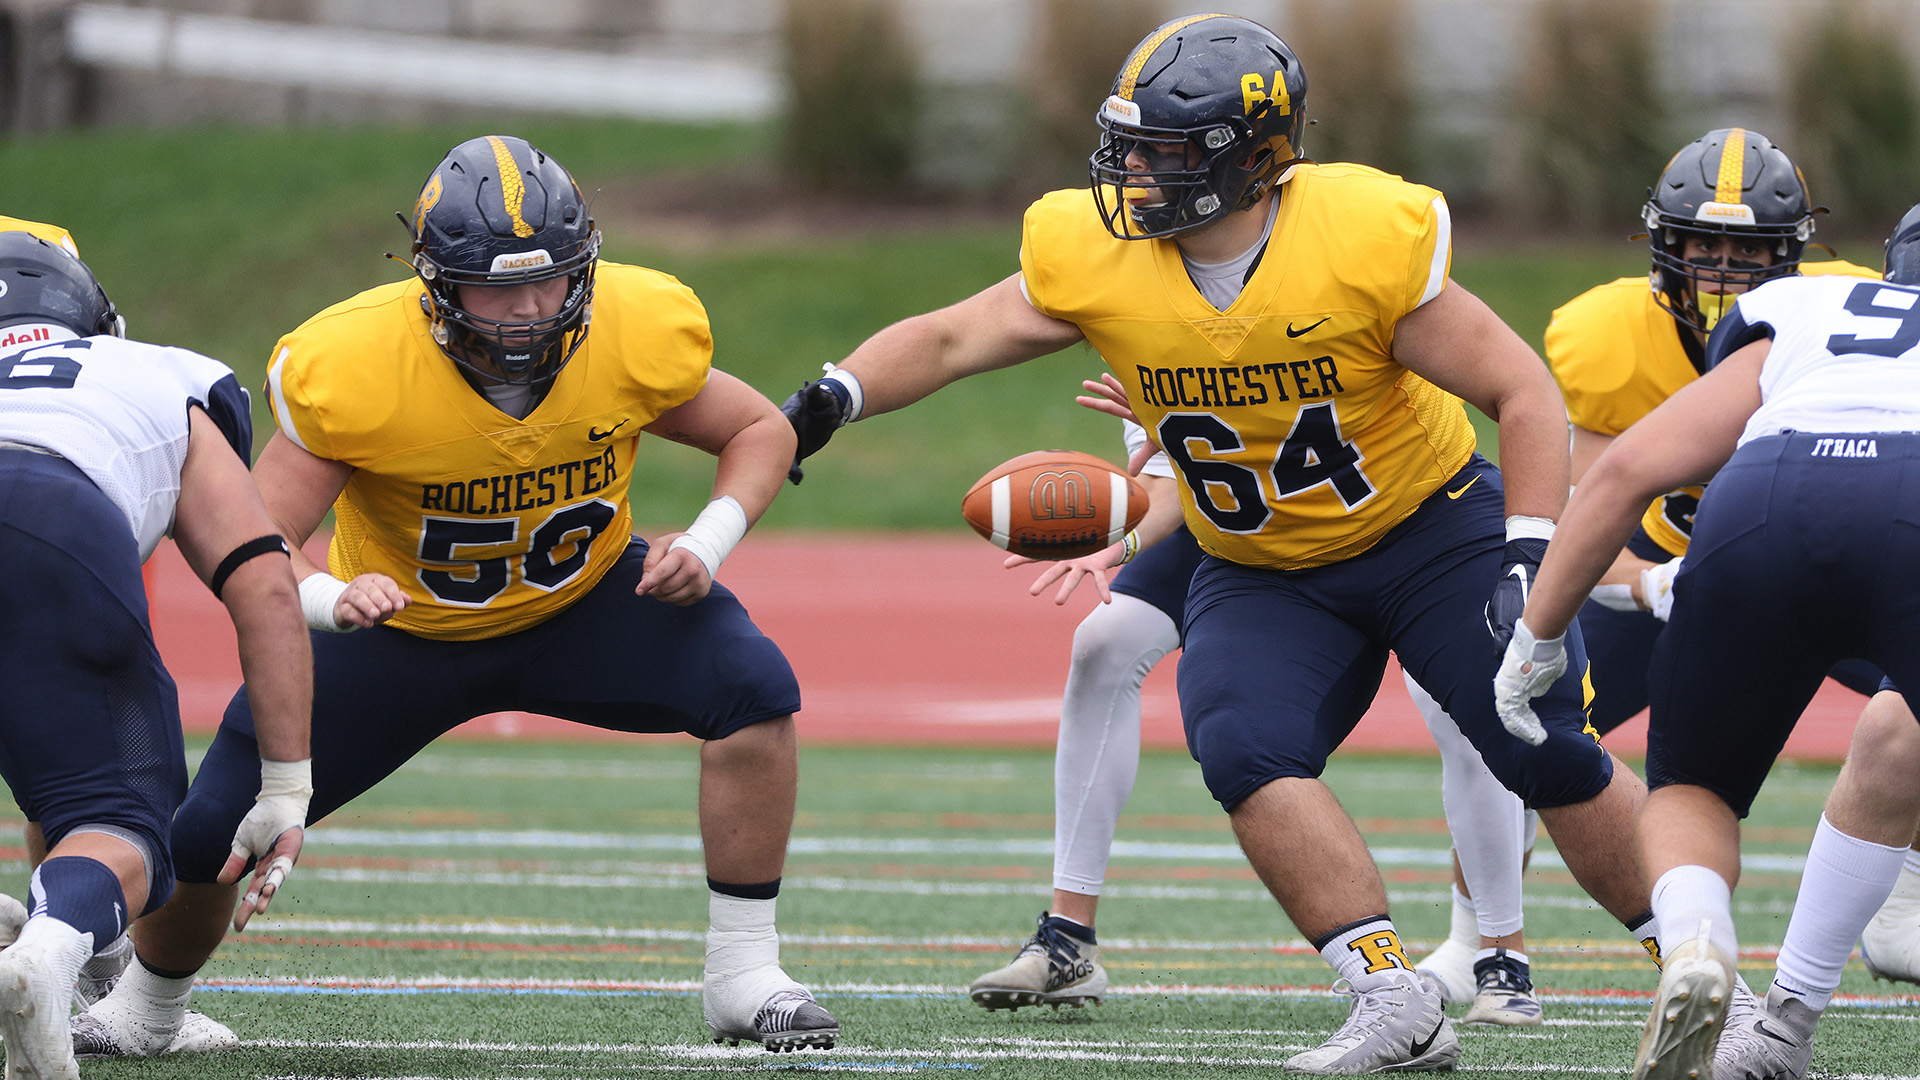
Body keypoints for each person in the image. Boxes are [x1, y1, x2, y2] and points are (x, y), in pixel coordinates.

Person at [784, 15, 1664, 1072]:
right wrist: (833, 396)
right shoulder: (1097, 250)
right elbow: (950, 335)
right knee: (1243, 745)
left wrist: (1527, 552)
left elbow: (1519, 390)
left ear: (1258, 159)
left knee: (1536, 735)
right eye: (1130, 143)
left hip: (1426, 529)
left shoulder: (1356, 233)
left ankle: (1702, 967)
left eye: (1167, 149)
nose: (1135, 171)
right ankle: (1392, 996)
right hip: (1261, 564)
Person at [72, 135, 837, 1055]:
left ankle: (745, 976)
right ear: (434, 281)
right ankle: (149, 1012)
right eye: (493, 287)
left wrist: (709, 542)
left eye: (547, 282)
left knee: (755, 691)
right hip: (399, 631)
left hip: (581, 603)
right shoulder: (360, 362)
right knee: (209, 833)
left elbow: (758, 427)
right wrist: (332, 600)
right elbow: (255, 541)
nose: (524, 310)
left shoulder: (636, 327)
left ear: (584, 270)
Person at [1425, 128, 1904, 981]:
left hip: (1787, 561)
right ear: (1663, 246)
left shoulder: (1833, 315)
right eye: (1703, 246)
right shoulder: (1612, 337)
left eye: (1745, 251)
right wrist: (1646, 588)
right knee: (1519, 714)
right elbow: (1593, 510)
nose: (1720, 271)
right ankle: (1480, 936)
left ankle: (1897, 891)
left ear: (1790, 258)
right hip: (1662, 568)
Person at [1492, 204, 1920, 1080]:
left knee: (1693, 789)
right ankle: (1789, 1016)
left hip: (1764, 499)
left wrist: (1536, 637)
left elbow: (1623, 471)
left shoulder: (1810, 307)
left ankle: (1697, 941)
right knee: (1898, 741)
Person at [971, 420, 1545, 1027]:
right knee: (1102, 643)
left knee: (1461, 703)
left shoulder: (1338, 324)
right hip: (1238, 525)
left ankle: (1500, 955)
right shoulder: (1139, 328)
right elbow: (1175, 486)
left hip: (1383, 514)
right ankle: (1068, 937)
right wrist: (1127, 528)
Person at [0, 232, 313, 1079]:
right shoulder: (160, 374)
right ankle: (51, 947)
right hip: (44, 511)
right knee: (125, 815)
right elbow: (265, 586)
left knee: (63, 770)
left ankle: (80, 956)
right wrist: (286, 786)